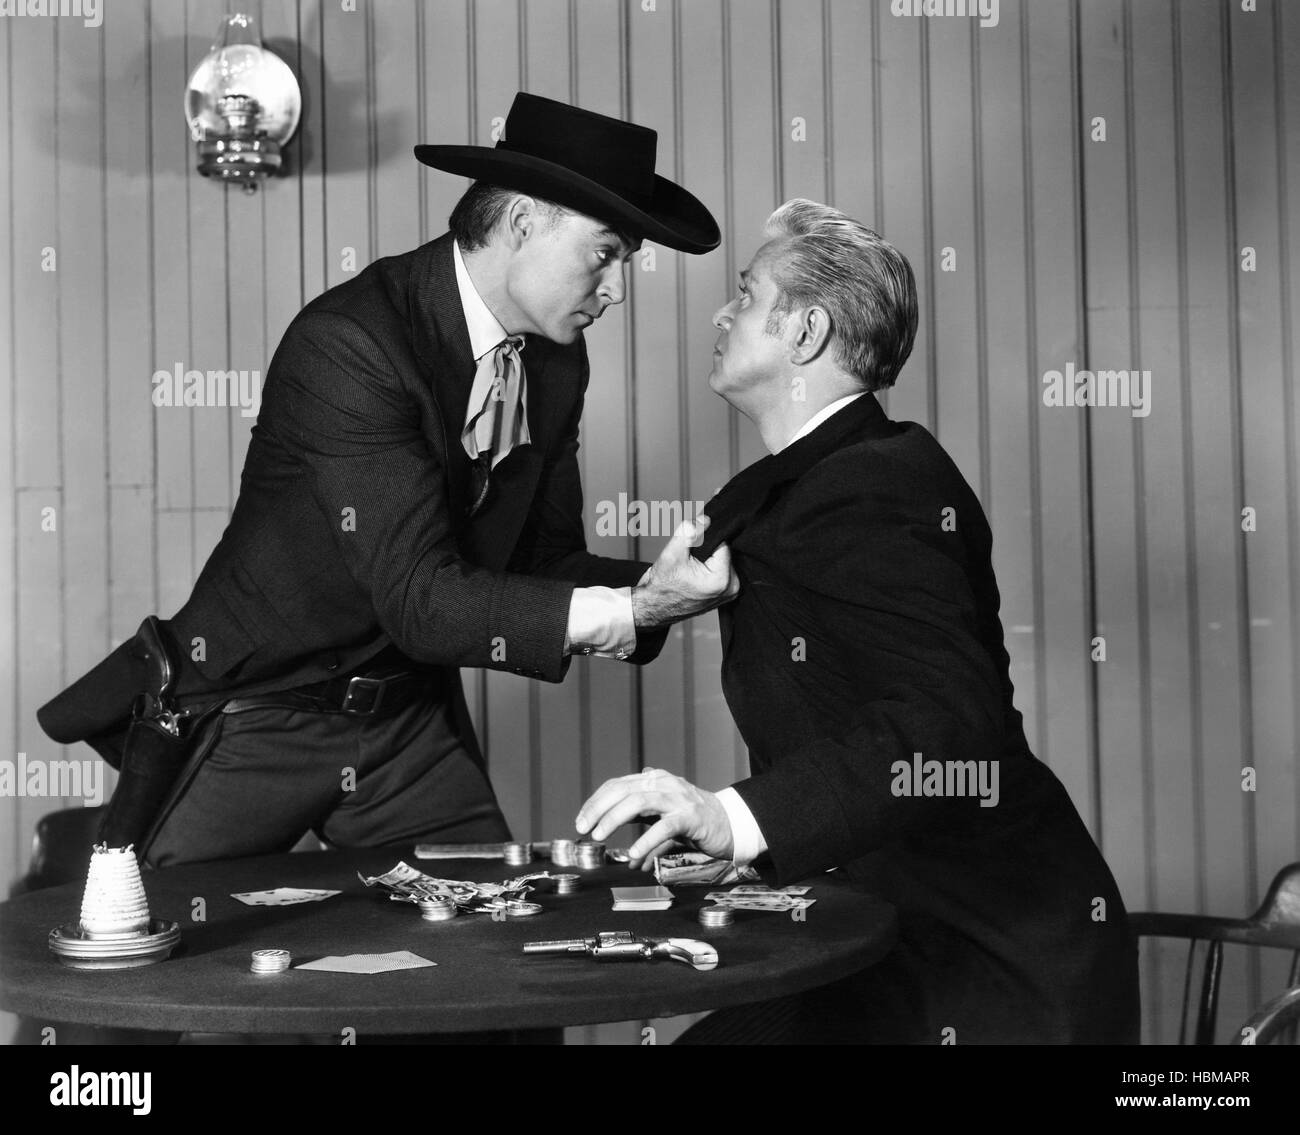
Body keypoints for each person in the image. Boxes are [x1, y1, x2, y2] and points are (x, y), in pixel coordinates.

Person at [38, 92, 736, 868]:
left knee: (487, 945)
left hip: (408, 721)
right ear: (523, 221)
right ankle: (67, 852)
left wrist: (677, 586)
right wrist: (637, 606)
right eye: (606, 252)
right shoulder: (350, 344)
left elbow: (540, 568)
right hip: (264, 706)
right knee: (135, 945)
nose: (617, 288)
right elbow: (423, 601)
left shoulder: (557, 360)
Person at [576, 199, 1140, 1044]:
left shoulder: (876, 484)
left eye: (746, 291)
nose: (722, 313)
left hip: (982, 959)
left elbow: (949, 725)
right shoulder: (804, 483)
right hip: (878, 936)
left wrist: (734, 816)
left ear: (805, 332)